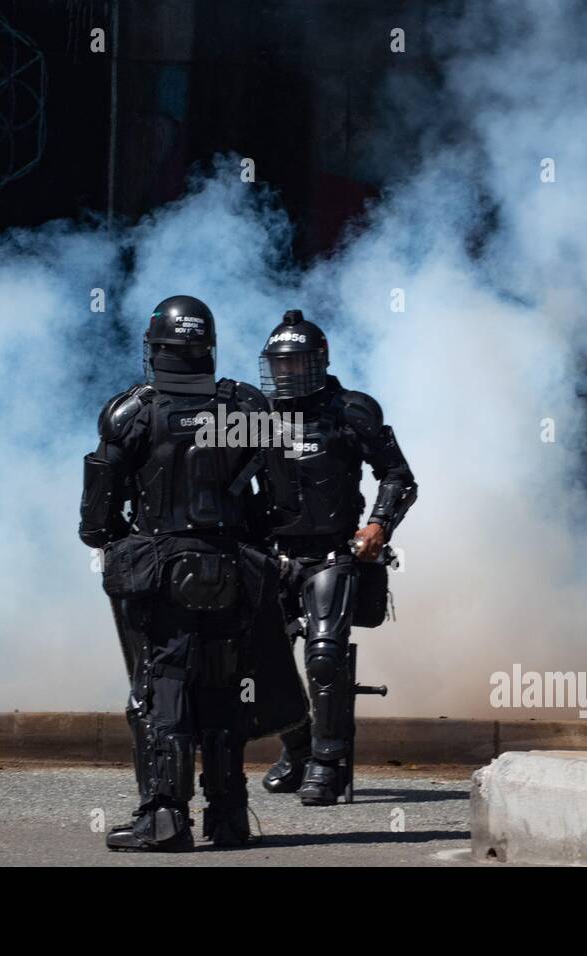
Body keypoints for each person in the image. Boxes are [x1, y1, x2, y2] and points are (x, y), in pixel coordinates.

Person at [79, 295, 305, 850]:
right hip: (231, 571)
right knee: (223, 691)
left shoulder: (131, 412)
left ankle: (163, 818)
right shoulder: (246, 407)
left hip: (160, 574)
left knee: (162, 691)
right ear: (207, 346)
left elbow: (95, 519)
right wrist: (240, 533)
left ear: (156, 347)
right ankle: (228, 818)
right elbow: (286, 504)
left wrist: (124, 543)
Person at [257, 310, 417, 805]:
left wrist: (378, 525)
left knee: (324, 654)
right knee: (258, 656)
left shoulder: (352, 410)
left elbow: (398, 477)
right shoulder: (253, 415)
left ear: (319, 360)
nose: (287, 373)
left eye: (297, 363)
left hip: (333, 553)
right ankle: (298, 747)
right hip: (274, 554)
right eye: (279, 365)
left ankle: (329, 764)